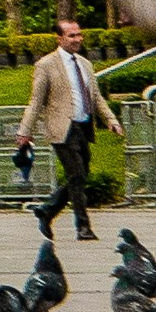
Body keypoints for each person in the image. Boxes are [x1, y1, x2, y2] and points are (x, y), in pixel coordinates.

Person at [22, 20, 112, 242]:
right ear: (59, 39)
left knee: (80, 176)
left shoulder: (85, 64)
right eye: (72, 36)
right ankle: (83, 227)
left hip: (83, 125)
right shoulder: (46, 65)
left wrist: (110, 119)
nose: (78, 39)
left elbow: (96, 96)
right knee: (77, 175)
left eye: (79, 34)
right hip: (62, 127)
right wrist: (25, 130)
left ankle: (48, 210)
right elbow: (36, 100)